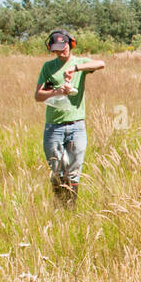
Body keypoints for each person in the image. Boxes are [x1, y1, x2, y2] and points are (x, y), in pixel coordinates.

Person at [34, 29, 105, 207]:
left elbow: (101, 64)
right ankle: (59, 206)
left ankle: (70, 209)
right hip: (54, 127)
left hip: (76, 125)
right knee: (57, 170)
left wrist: (75, 68)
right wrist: (57, 91)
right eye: (57, 48)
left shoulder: (80, 63)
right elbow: (38, 95)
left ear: (70, 44)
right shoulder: (48, 67)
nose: (61, 51)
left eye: (64, 46)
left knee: (73, 170)